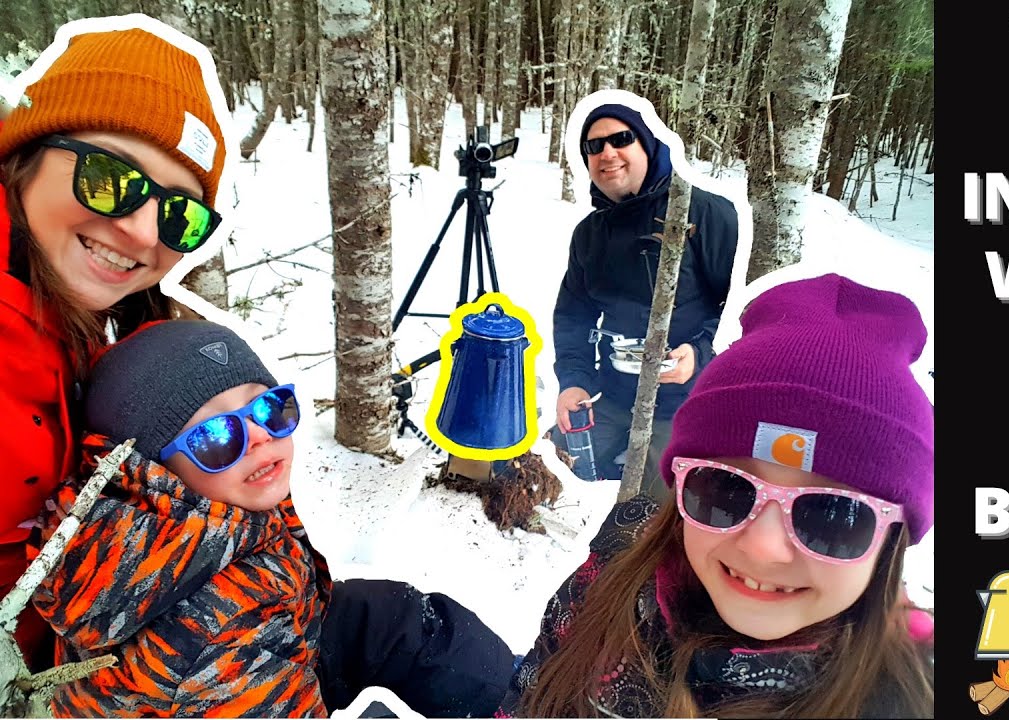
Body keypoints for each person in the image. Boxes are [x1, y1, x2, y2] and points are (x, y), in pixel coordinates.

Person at [503, 273, 935, 718]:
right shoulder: (610, 577)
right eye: (725, 489)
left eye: (831, 516)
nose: (763, 547)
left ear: (895, 537)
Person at [32, 320, 515, 717]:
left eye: (269, 408)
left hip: (276, 643)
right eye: (218, 436)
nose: (260, 437)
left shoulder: (209, 512)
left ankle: (523, 697)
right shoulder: (208, 642)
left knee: (393, 618)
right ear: (152, 473)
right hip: (239, 689)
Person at [1, 22, 228, 666]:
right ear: (26, 153)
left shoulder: (74, 323)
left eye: (180, 213)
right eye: (108, 177)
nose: (138, 231)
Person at [551, 100, 738, 500]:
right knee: (549, 472)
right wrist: (574, 382)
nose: (607, 153)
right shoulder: (590, 233)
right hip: (615, 394)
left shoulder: (704, 213)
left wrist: (700, 355)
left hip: (687, 402)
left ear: (648, 145)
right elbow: (573, 315)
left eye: (621, 139)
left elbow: (741, 307)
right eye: (594, 146)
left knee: (655, 514)